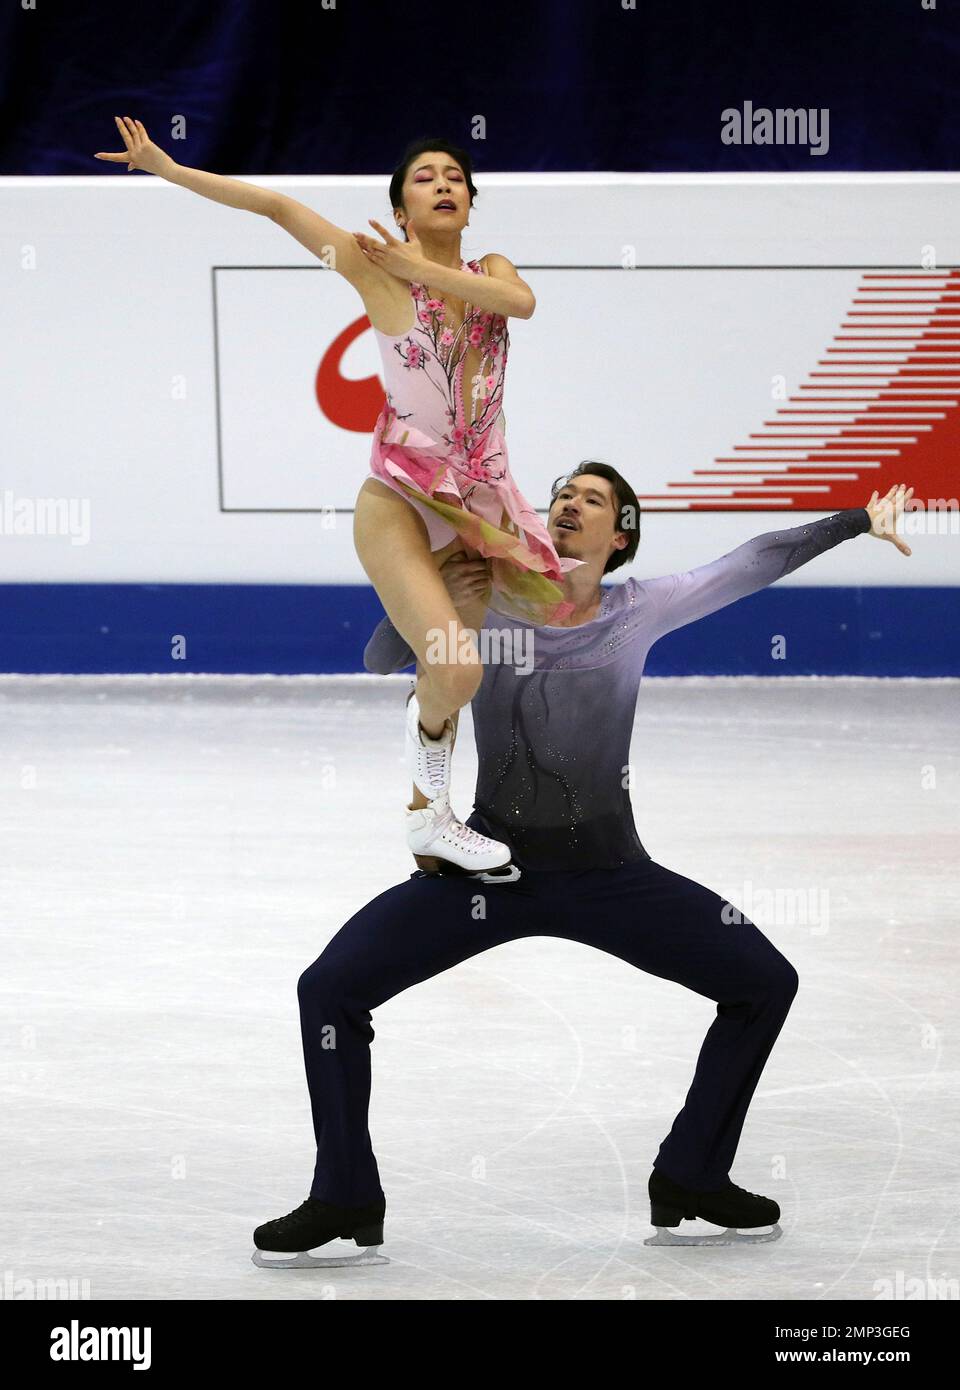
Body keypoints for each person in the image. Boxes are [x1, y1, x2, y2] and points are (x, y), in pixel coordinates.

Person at [250, 468, 914, 1261]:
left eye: (593, 500)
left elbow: (755, 557)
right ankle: (344, 1194)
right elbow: (378, 657)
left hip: (609, 874)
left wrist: (856, 521)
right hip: (490, 873)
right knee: (328, 989)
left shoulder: (642, 611)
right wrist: (442, 597)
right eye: (562, 493)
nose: (569, 503)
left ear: (620, 536)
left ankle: (692, 1175)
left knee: (764, 982)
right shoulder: (491, 600)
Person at [95, 120, 582, 877]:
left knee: (448, 675)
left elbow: (520, 303)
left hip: (477, 509)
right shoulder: (374, 270)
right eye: (425, 178)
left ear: (471, 200)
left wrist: (429, 270)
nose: (444, 184)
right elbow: (277, 207)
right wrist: (167, 167)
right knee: (457, 673)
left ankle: (431, 820)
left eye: (455, 176)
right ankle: (424, 734)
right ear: (398, 210)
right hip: (398, 499)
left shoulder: (490, 271)